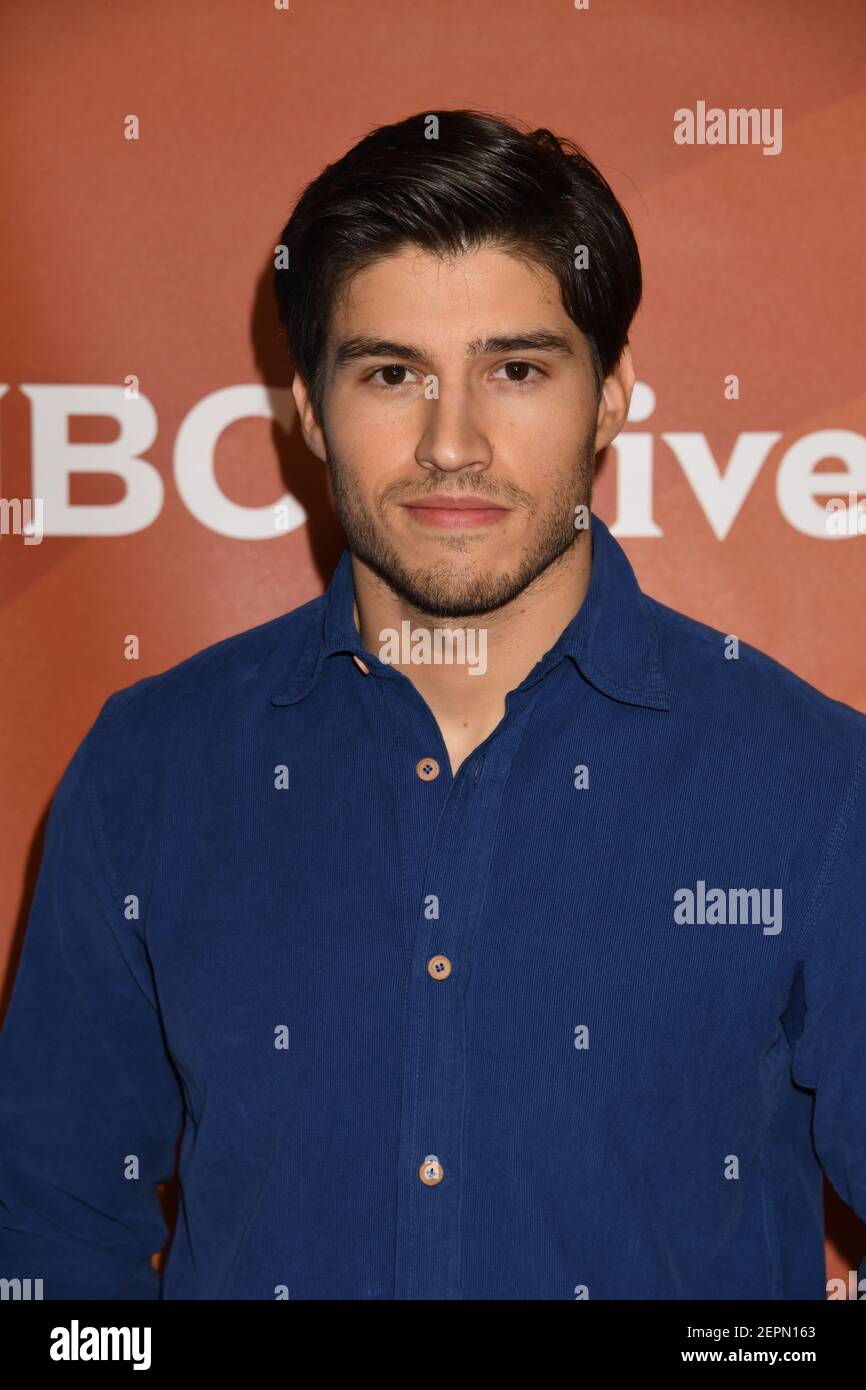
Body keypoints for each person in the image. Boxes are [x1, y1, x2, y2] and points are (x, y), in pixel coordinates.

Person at [1, 108, 864, 1301]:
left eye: (514, 369)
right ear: (308, 409)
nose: (451, 443)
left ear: (609, 398)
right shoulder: (150, 770)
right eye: (391, 373)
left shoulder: (812, 785)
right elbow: (46, 1231)